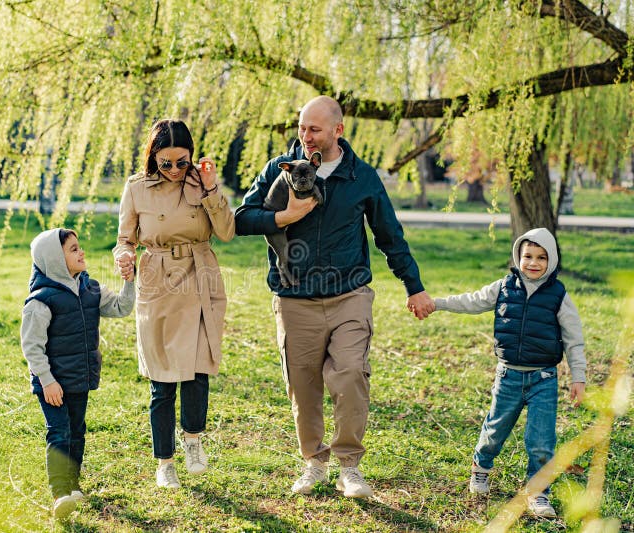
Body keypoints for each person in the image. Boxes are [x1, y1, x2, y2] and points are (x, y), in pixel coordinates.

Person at [234, 95, 435, 499]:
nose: (305, 137)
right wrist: (284, 217)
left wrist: (414, 286)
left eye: (314, 129)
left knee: (350, 375)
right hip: (295, 297)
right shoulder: (280, 169)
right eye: (301, 127)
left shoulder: (361, 177)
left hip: (349, 294)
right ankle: (314, 463)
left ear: (337, 131)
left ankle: (350, 466)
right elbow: (240, 219)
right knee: (303, 386)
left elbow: (389, 235)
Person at [430, 227, 586, 518]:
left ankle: (538, 493)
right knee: (494, 429)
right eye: (528, 256)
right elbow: (471, 300)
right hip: (509, 376)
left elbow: (574, 339)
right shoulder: (503, 286)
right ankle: (481, 467)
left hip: (544, 379)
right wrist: (437, 303)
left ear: (551, 260)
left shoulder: (558, 295)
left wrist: (579, 377)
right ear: (518, 256)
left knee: (541, 441)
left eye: (541, 257)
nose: (533, 263)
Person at [113, 119, 235, 489]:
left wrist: (211, 189)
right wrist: (124, 256)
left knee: (199, 368)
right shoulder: (136, 188)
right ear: (153, 158)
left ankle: (193, 440)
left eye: (181, 162)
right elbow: (124, 239)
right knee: (162, 378)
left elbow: (227, 231)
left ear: (191, 156)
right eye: (165, 163)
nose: (174, 170)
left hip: (200, 275)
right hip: (158, 280)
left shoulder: (201, 182)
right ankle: (164, 462)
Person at [21, 228, 135, 519]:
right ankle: (60, 492)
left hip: (79, 379)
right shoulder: (42, 299)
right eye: (73, 249)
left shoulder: (90, 288)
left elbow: (121, 308)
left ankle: (73, 486)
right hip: (53, 383)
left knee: (77, 432)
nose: (81, 252)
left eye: (79, 247)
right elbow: (32, 346)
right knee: (59, 433)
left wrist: (129, 282)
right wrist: (47, 381)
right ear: (55, 260)